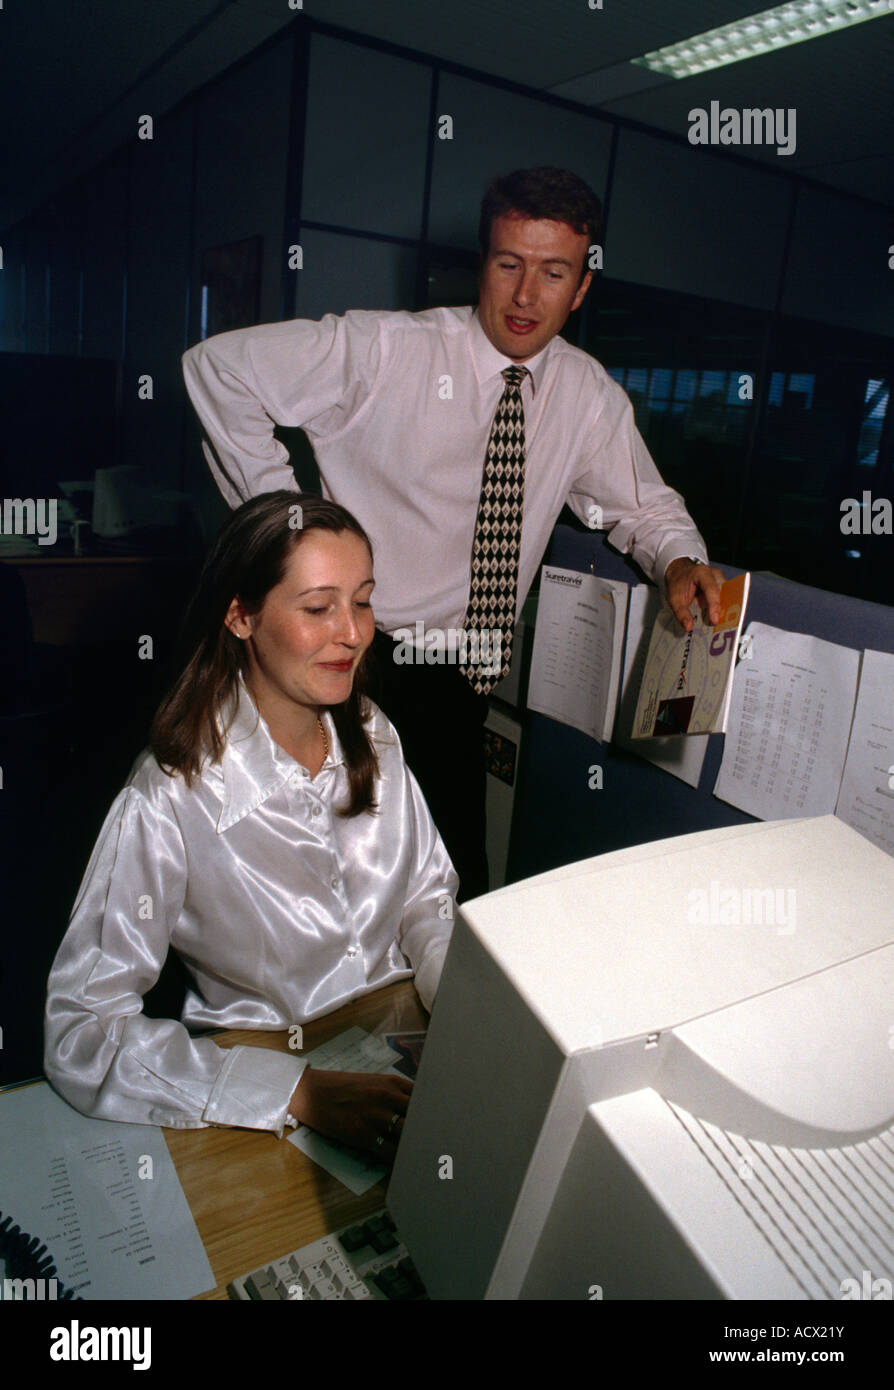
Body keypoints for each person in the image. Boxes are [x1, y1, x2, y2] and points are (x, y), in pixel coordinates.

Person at [182, 166, 725, 900]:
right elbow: (219, 369)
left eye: (554, 272)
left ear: (582, 286)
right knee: (316, 892)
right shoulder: (387, 350)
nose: (526, 295)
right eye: (509, 265)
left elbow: (642, 505)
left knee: (454, 892)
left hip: (461, 681)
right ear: (484, 263)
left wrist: (681, 557)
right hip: (350, 658)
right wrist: (291, 532)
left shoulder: (587, 395)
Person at [44, 492, 457, 1159]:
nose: (352, 633)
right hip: (262, 1094)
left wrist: (464, 1002)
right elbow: (81, 1033)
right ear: (240, 615)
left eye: (364, 600)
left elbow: (424, 898)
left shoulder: (374, 733)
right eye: (319, 608)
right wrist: (297, 1092)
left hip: (401, 1049)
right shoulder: (169, 796)